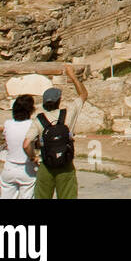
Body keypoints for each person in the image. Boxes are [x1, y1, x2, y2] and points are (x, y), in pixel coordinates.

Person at [26, 64, 88, 200]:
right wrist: (72, 76)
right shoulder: (68, 113)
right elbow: (83, 94)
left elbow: (26, 144)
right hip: (65, 163)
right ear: (59, 100)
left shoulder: (39, 119)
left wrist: (32, 157)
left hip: (46, 164)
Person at [0, 94, 38, 199]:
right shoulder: (32, 124)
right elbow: (28, 145)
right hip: (26, 167)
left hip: (9, 167)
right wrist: (32, 157)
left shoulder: (7, 123)